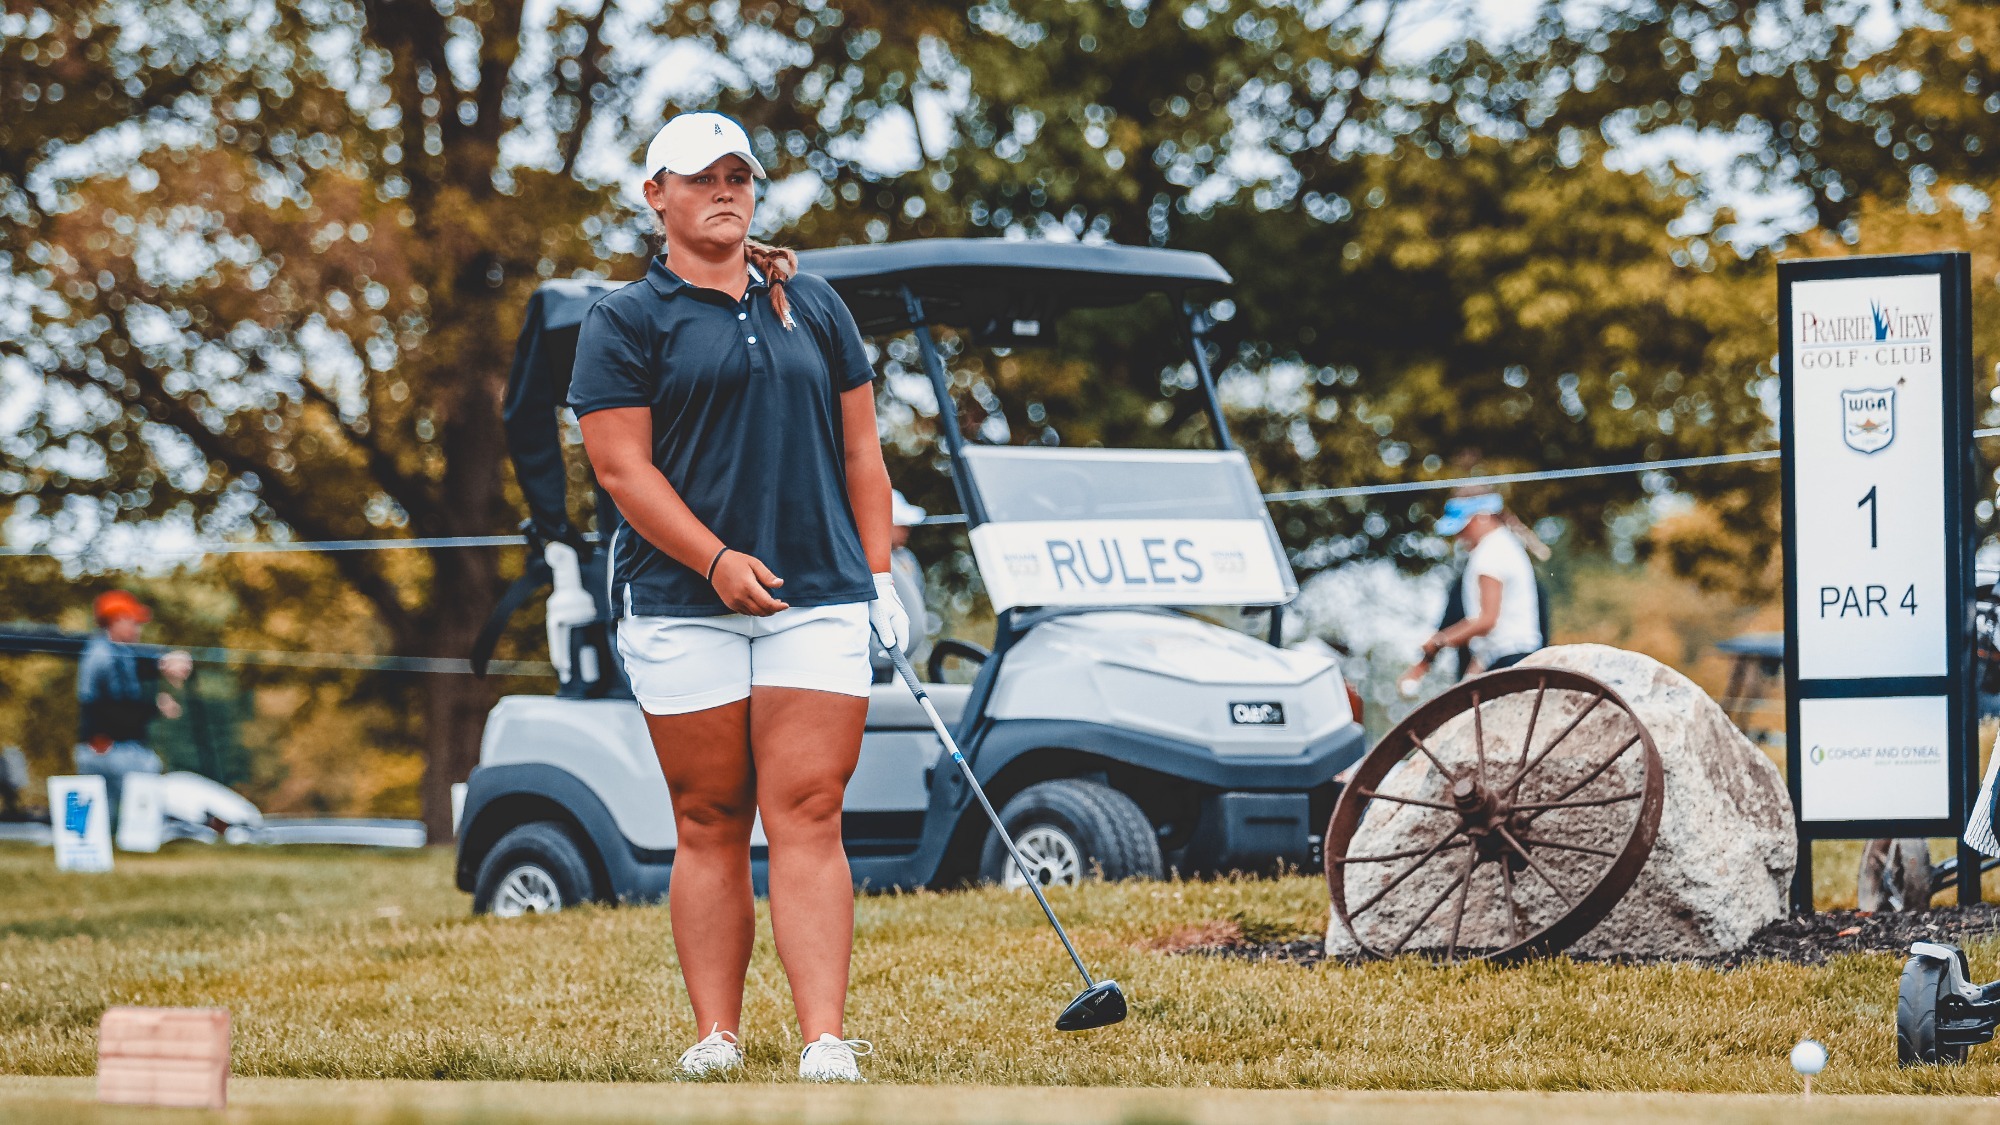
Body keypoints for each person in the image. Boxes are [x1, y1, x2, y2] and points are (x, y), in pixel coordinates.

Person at [567, 111, 902, 1083]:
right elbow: (622, 471)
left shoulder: (815, 307)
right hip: (681, 603)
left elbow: (862, 453)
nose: (724, 191)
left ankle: (823, 1040)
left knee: (807, 809)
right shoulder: (624, 320)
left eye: (737, 176)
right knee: (709, 817)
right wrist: (715, 561)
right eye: (700, 177)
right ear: (654, 196)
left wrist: (878, 576)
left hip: (818, 593)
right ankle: (716, 1033)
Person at [74, 590, 191, 832]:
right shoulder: (105, 655)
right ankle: (139, 841)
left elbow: (140, 662)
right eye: (133, 622)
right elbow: (112, 705)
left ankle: (122, 845)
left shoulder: (114, 651)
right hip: (109, 748)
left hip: (106, 746)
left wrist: (164, 661)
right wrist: (156, 705)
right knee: (147, 775)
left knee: (102, 815)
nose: (138, 629)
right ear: (116, 620)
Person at [1402, 492, 1545, 686]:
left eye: (1463, 527)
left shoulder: (1490, 554)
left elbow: (1486, 621)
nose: (1459, 536)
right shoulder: (1504, 545)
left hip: (1509, 661)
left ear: (1482, 517)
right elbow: (1491, 641)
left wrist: (1439, 641)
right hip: (1511, 658)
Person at [869, 489, 929, 681]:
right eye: (900, 524)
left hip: (899, 661)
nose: (907, 529)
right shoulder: (857, 561)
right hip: (869, 661)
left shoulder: (906, 559)